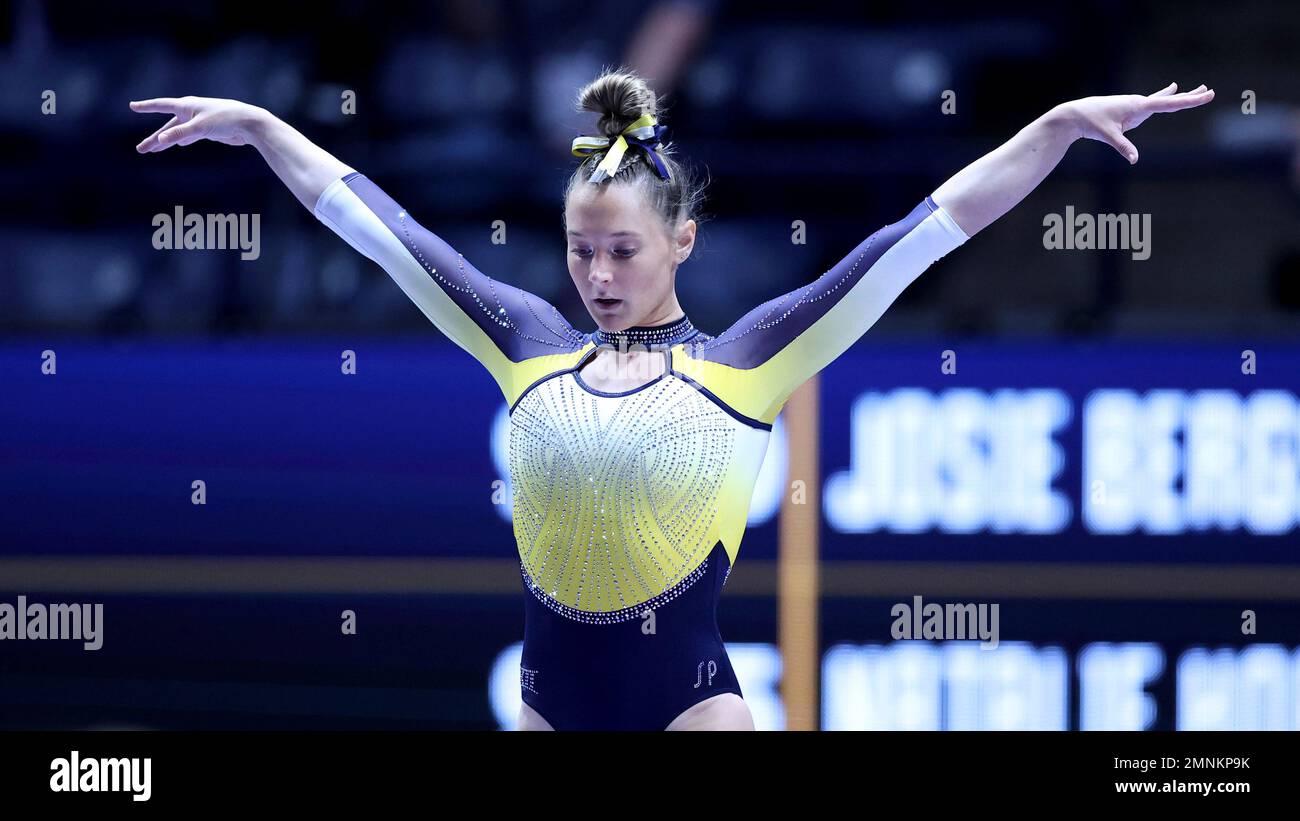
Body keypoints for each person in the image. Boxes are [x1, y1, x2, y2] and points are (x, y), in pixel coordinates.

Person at [131, 70, 1213, 730]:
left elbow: (921, 234)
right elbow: (382, 228)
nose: (597, 276)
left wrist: (1058, 126)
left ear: (682, 241)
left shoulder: (750, 361)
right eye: (580, 251)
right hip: (551, 703)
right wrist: (268, 129)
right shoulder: (525, 344)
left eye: (624, 251)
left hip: (690, 704)